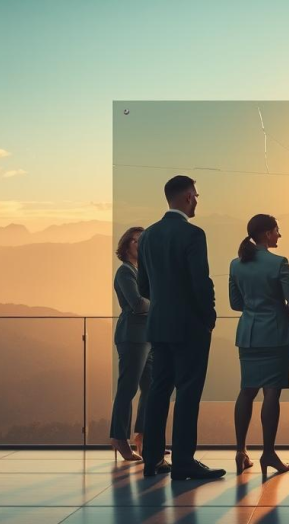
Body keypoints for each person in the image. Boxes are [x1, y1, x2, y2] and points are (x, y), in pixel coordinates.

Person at [137, 175, 224, 480]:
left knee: (159, 391)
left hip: (159, 325)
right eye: (196, 195)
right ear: (187, 197)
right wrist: (209, 316)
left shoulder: (147, 236)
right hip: (190, 326)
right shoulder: (193, 234)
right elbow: (200, 282)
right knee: (188, 392)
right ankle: (184, 461)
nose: (197, 200)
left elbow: (143, 286)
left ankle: (152, 459)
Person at [229, 214, 289, 477]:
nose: (279, 235)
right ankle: (268, 453)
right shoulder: (279, 263)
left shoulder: (236, 264)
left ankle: (240, 451)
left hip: (248, 335)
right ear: (268, 234)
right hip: (276, 335)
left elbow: (235, 303)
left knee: (246, 391)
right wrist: (278, 307)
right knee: (271, 393)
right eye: (277, 230)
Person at [109, 226, 154, 462]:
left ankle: (142, 436)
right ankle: (119, 438)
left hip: (148, 336)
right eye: (137, 241)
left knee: (151, 387)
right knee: (128, 389)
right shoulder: (125, 272)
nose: (141, 245)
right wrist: (160, 301)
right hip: (132, 336)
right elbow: (137, 303)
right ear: (126, 246)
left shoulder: (140, 271)